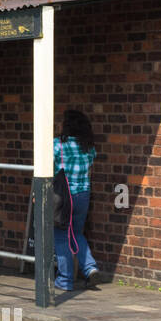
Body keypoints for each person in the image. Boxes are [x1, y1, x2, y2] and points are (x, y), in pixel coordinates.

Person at [54, 109, 101, 290]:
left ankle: (65, 280)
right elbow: (90, 170)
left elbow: (47, 169)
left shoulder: (58, 145)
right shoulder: (88, 146)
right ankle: (89, 267)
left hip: (64, 196)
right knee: (76, 233)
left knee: (61, 236)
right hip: (83, 194)